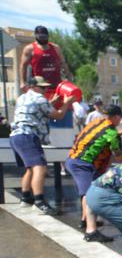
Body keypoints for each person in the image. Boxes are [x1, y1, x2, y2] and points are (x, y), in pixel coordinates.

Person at [66, 105, 122, 242]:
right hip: (83, 164)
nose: (120, 120)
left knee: (89, 191)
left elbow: (104, 134)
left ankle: (85, 220)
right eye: (120, 117)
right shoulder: (112, 133)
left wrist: (121, 132)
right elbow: (119, 158)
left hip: (74, 159)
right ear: (116, 117)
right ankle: (91, 231)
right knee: (89, 194)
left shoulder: (97, 122)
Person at [9, 76, 74, 215]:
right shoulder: (40, 99)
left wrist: (52, 102)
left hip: (16, 136)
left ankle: (26, 198)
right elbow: (58, 115)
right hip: (28, 136)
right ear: (33, 86)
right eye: (42, 87)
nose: (45, 90)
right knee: (40, 167)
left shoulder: (22, 97)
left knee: (30, 169)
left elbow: (36, 109)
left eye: (46, 87)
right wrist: (67, 103)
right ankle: (39, 202)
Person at [18, 26, 72, 93]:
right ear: (35, 36)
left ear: (48, 36)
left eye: (45, 37)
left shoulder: (56, 48)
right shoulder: (29, 49)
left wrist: (69, 76)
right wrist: (22, 82)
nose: (43, 39)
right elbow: (23, 65)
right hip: (39, 86)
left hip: (56, 84)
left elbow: (63, 63)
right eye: (41, 37)